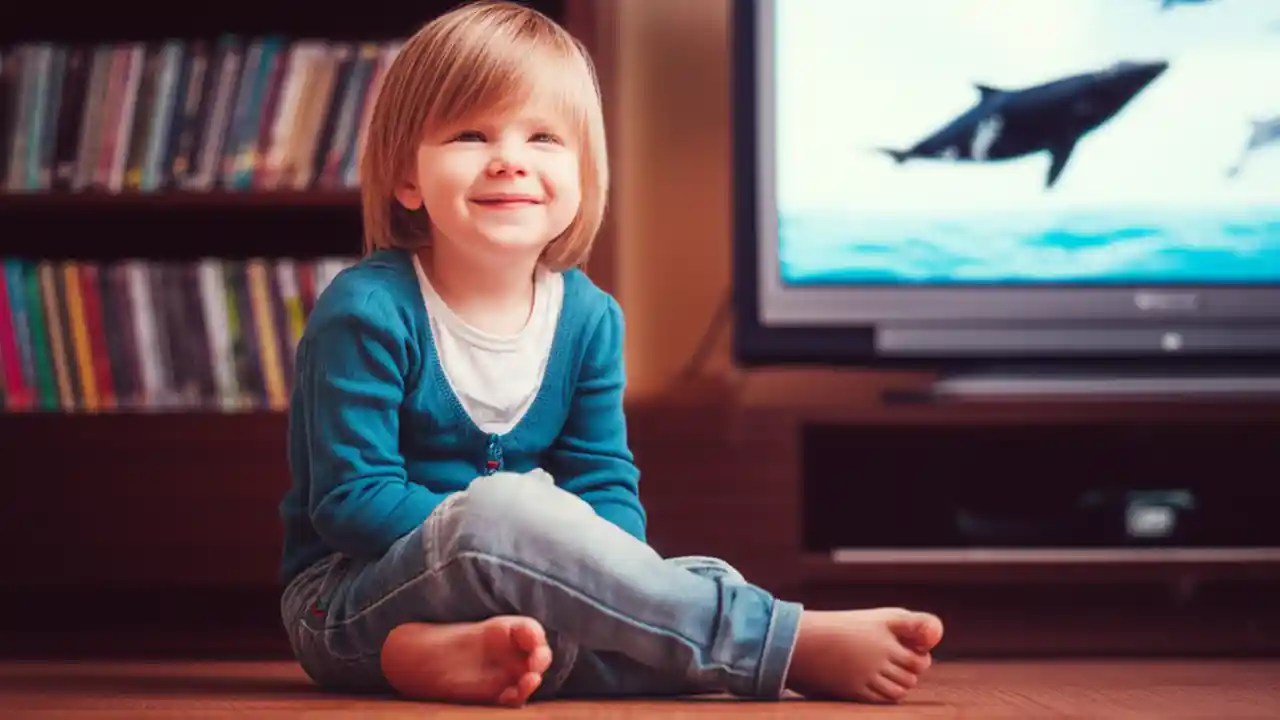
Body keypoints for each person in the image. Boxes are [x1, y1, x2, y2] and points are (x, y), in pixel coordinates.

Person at [277, 0, 944, 707]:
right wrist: (520, 543)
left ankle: (448, 658)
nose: (509, 160)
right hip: (347, 599)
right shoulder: (367, 310)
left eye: (542, 137)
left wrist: (580, 571)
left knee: (700, 577)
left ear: (583, 175)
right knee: (510, 515)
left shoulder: (590, 318)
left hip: (516, 595)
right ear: (408, 178)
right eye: (471, 134)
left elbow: (605, 487)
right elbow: (351, 502)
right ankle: (778, 645)